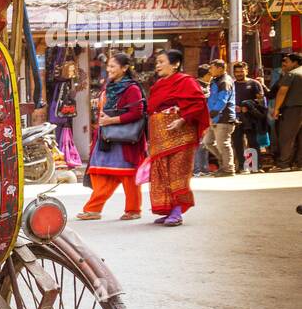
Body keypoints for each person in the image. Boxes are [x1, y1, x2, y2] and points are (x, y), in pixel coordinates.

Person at [77, 52, 146, 221]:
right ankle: (93, 209)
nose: (109, 69)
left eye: (113, 66)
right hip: (106, 137)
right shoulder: (109, 85)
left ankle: (133, 209)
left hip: (123, 139)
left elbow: (137, 112)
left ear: (125, 68)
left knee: (127, 175)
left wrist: (112, 120)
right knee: (100, 172)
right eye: (108, 66)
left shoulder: (132, 88)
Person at [146, 48, 211, 227]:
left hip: (180, 134)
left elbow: (198, 103)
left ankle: (177, 211)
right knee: (163, 173)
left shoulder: (186, 81)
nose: (157, 66)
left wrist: (182, 120)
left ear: (175, 64)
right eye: (156, 62)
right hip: (160, 136)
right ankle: (168, 209)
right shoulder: (158, 85)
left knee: (177, 172)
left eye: (161, 62)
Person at [201, 58, 237, 176]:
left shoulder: (225, 81)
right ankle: (224, 164)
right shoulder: (216, 80)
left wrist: (213, 114)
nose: (210, 70)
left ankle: (228, 169)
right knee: (208, 142)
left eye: (212, 67)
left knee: (223, 144)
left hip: (223, 117)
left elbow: (222, 101)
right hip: (214, 117)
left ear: (220, 68)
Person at [231, 61, 268, 172]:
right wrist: (234, 108)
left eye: (241, 71)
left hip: (251, 118)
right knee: (238, 143)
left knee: (253, 142)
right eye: (236, 72)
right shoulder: (231, 84)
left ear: (246, 71)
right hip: (235, 118)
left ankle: (256, 166)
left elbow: (261, 102)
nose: (239, 74)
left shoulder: (254, 84)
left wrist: (249, 107)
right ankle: (242, 167)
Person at [192, 64, 213, 176]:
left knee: (203, 144)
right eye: (210, 74)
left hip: (203, 118)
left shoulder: (206, 85)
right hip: (199, 119)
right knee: (201, 144)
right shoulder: (198, 86)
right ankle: (199, 169)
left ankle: (202, 169)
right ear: (206, 75)